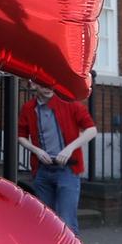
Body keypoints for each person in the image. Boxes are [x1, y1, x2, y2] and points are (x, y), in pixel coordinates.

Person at [16, 81, 96, 234]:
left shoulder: (69, 104)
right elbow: (21, 136)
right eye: (43, 85)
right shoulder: (28, 108)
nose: (48, 88)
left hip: (67, 170)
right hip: (42, 171)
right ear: (33, 85)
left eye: (50, 85)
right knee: (46, 221)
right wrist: (37, 150)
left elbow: (91, 130)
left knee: (67, 222)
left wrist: (69, 149)